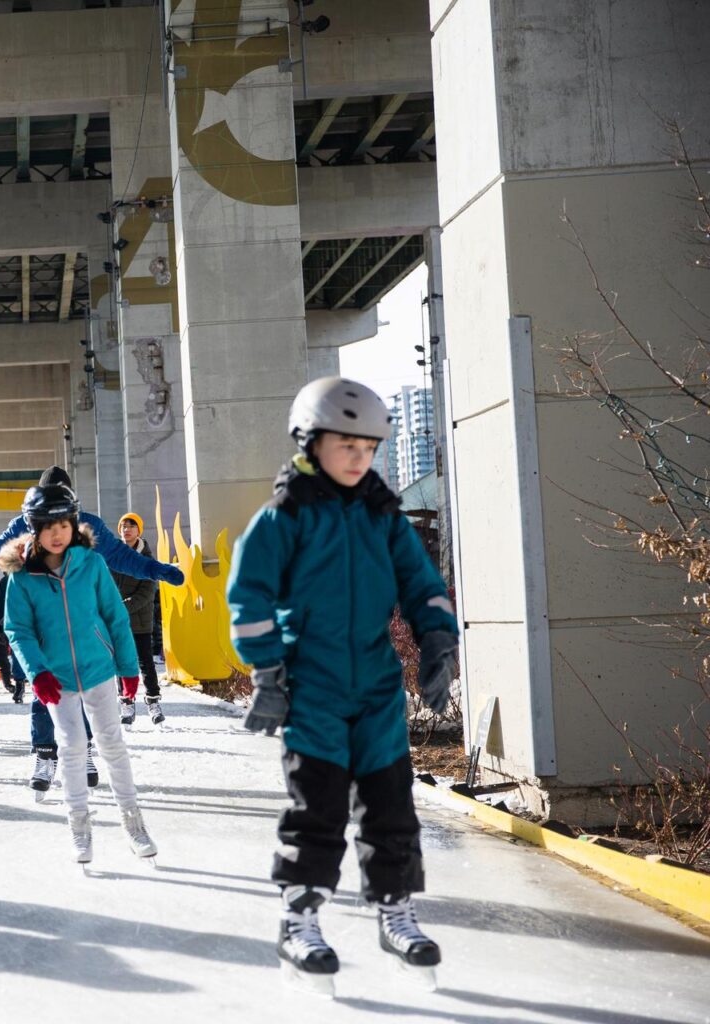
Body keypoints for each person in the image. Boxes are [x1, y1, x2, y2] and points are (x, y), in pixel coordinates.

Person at [227, 377, 459, 992]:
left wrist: (437, 639)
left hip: (378, 687)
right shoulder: (284, 517)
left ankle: (395, 911)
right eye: (346, 446)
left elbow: (421, 582)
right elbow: (248, 596)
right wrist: (268, 670)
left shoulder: (384, 517)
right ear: (310, 443)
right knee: (319, 809)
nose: (359, 458)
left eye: (368, 448)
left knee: (392, 807)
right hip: (313, 688)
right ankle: (299, 919)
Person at [0, 467, 184, 795]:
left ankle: (86, 750)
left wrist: (155, 569)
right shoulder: (25, 523)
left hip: (81, 627)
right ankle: (44, 754)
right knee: (45, 694)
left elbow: (120, 556)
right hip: (43, 627)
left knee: (82, 691)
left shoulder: (85, 525)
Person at [0, 482, 156, 867]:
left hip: (97, 668)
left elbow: (115, 616)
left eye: (64, 525)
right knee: (71, 746)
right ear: (34, 529)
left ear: (73, 524)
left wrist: (128, 667)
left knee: (111, 743)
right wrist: (37, 672)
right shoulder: (22, 577)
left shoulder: (92, 564)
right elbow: (18, 629)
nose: (57, 534)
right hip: (56, 678)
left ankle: (133, 821)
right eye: (48, 527)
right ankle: (79, 826)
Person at [111, 513, 165, 727]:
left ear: (139, 531)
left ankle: (153, 701)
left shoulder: (147, 560)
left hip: (140, 621)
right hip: (117, 622)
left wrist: (121, 607)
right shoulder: (112, 557)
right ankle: (126, 703)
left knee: (146, 663)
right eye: (123, 526)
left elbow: (147, 593)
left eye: (131, 526)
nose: (127, 530)